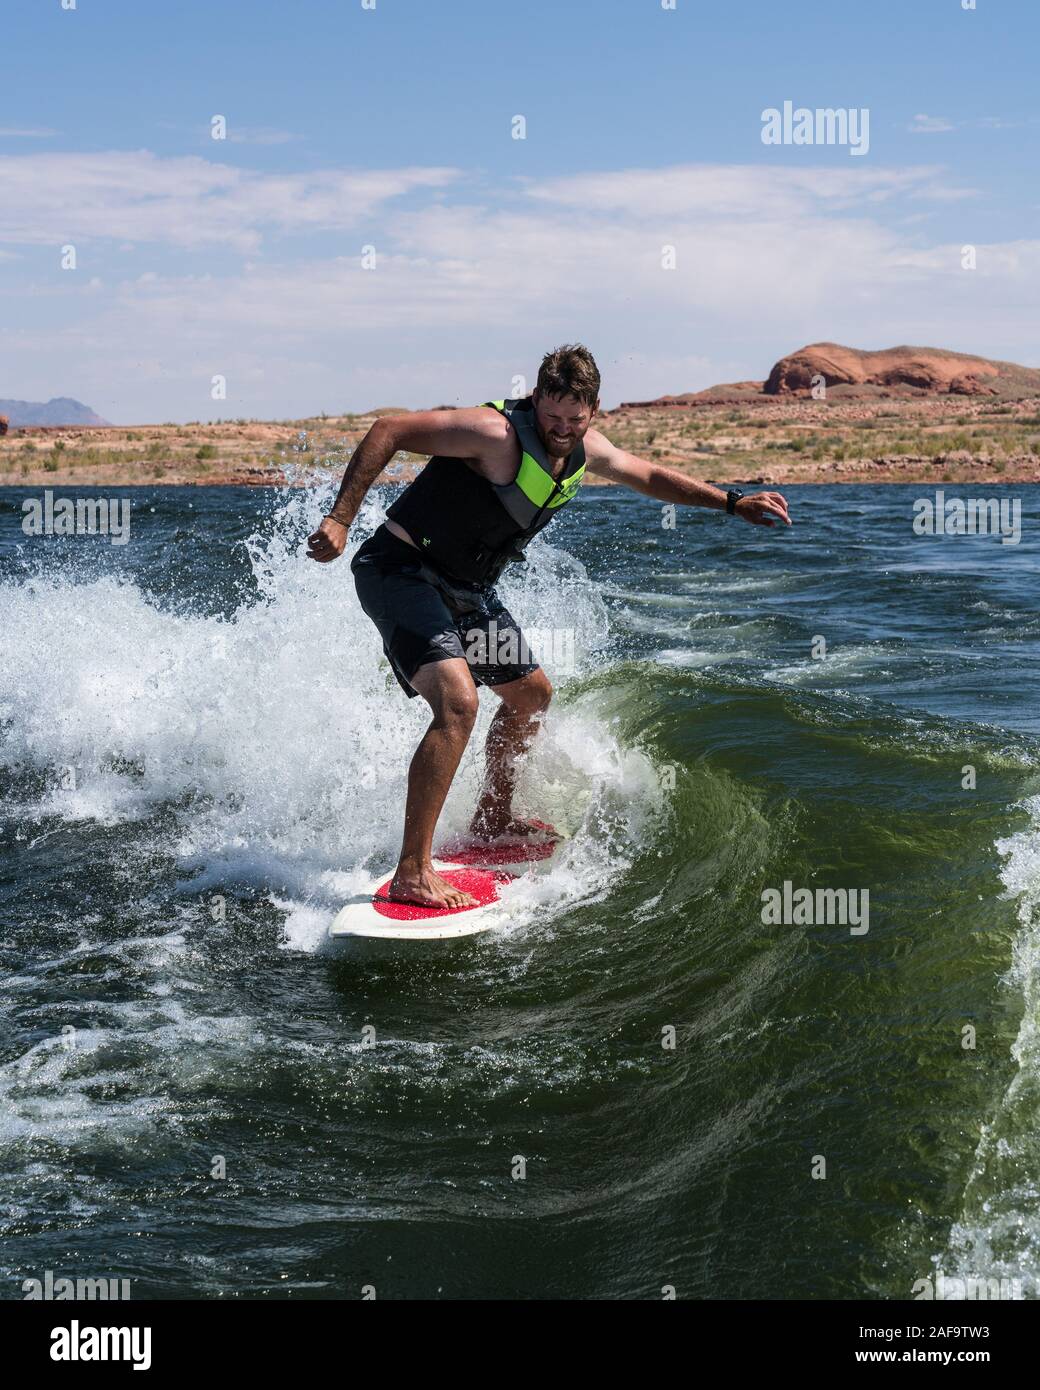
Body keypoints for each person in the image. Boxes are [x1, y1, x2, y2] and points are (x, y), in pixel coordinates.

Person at [308, 344, 790, 908]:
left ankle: (492, 819)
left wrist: (732, 503)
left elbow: (652, 476)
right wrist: (339, 519)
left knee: (530, 696)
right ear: (535, 399)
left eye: (574, 420)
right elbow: (388, 429)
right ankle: (412, 870)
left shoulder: (589, 449)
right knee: (459, 704)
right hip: (400, 570)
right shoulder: (493, 433)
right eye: (551, 416)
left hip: (466, 591)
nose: (561, 430)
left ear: (594, 411)